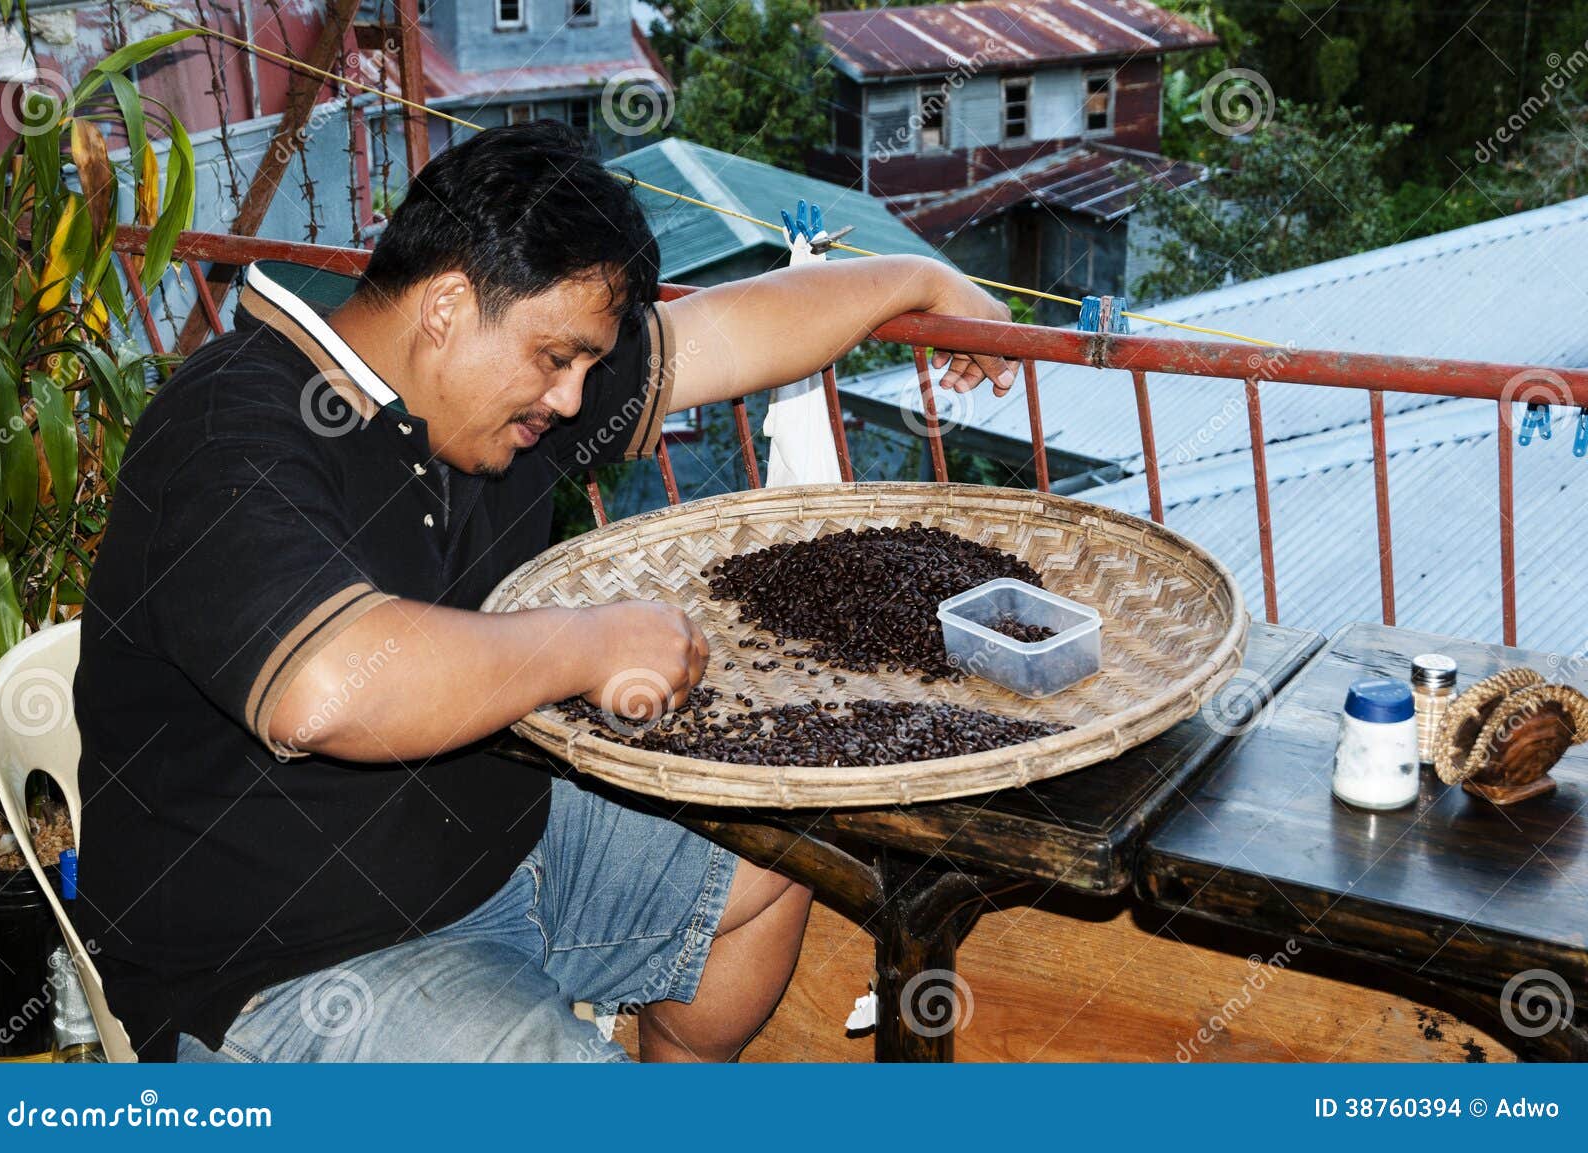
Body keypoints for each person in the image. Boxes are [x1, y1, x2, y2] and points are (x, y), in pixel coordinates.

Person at [73, 122, 1017, 1062]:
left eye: (585, 368)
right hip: (285, 966)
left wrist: (919, 279)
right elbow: (324, 690)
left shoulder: (492, 393)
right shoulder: (229, 429)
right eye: (556, 359)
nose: (571, 399)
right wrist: (587, 642)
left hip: (504, 847)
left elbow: (724, 335)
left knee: (777, 852)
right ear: (445, 305)